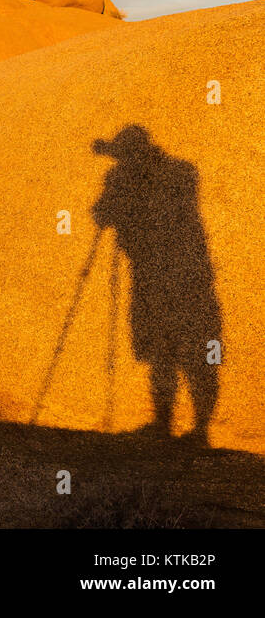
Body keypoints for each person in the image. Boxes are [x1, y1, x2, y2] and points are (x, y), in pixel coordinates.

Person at [91, 125, 220, 445]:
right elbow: (101, 214)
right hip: (149, 276)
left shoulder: (179, 173)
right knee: (159, 349)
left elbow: (146, 208)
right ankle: (164, 423)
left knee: (194, 350)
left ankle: (200, 428)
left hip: (185, 276)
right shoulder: (131, 177)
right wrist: (118, 183)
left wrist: (124, 181)